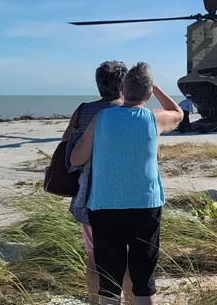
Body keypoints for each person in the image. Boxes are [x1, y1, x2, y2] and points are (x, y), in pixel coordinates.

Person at [70, 62, 184, 305]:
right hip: (145, 205)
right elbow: (178, 112)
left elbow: (76, 158)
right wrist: (155, 87)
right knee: (144, 280)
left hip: (104, 205)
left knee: (109, 281)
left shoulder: (102, 118)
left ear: (123, 87)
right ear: (149, 93)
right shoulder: (154, 119)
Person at [61, 60, 133, 305]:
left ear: (98, 83)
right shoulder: (131, 109)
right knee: (127, 258)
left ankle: (95, 302)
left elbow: (66, 144)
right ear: (124, 83)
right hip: (127, 194)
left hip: (90, 194)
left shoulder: (83, 110)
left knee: (94, 256)